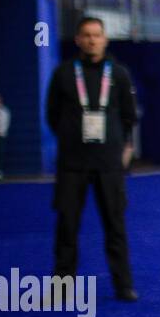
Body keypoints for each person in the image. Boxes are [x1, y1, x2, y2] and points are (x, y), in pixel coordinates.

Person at [46, 17, 140, 301]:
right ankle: (62, 288)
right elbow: (52, 115)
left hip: (108, 164)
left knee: (115, 225)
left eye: (97, 35)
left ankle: (123, 285)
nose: (91, 40)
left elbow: (128, 116)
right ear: (77, 39)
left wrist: (115, 147)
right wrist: (71, 137)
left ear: (105, 39)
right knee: (67, 226)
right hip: (72, 164)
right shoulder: (63, 73)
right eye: (86, 35)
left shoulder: (120, 74)